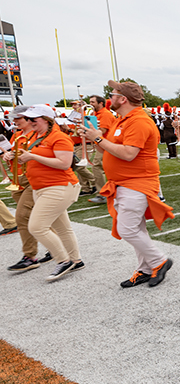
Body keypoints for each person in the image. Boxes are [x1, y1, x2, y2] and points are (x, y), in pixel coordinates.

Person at [78, 80, 174, 288]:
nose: (109, 97)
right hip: (124, 182)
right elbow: (106, 150)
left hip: (137, 181)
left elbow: (129, 154)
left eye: (112, 94)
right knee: (136, 228)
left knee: (127, 229)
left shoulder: (139, 121)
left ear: (123, 99)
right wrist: (93, 137)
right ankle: (146, 268)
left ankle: (159, 261)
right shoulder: (122, 120)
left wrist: (98, 139)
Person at [16, 105, 85, 281]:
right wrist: (13, 155)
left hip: (59, 186)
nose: (29, 122)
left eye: (33, 119)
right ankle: (75, 260)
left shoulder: (59, 137)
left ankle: (63, 260)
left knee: (37, 227)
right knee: (63, 228)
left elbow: (64, 163)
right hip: (42, 187)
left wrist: (32, 156)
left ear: (47, 120)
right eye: (28, 119)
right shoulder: (34, 135)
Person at [4, 106, 52, 271]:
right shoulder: (17, 135)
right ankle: (55, 247)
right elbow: (12, 153)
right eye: (14, 118)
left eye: (19, 118)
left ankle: (30, 256)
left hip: (34, 179)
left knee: (22, 216)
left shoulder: (38, 135)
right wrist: (8, 155)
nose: (14, 121)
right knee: (45, 217)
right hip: (19, 179)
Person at [87, 94, 116, 203]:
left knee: (97, 166)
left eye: (93, 102)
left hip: (106, 143)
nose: (90, 104)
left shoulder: (105, 114)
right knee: (101, 167)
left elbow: (102, 131)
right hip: (100, 144)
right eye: (90, 102)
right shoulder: (94, 114)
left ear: (101, 103)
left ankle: (103, 193)